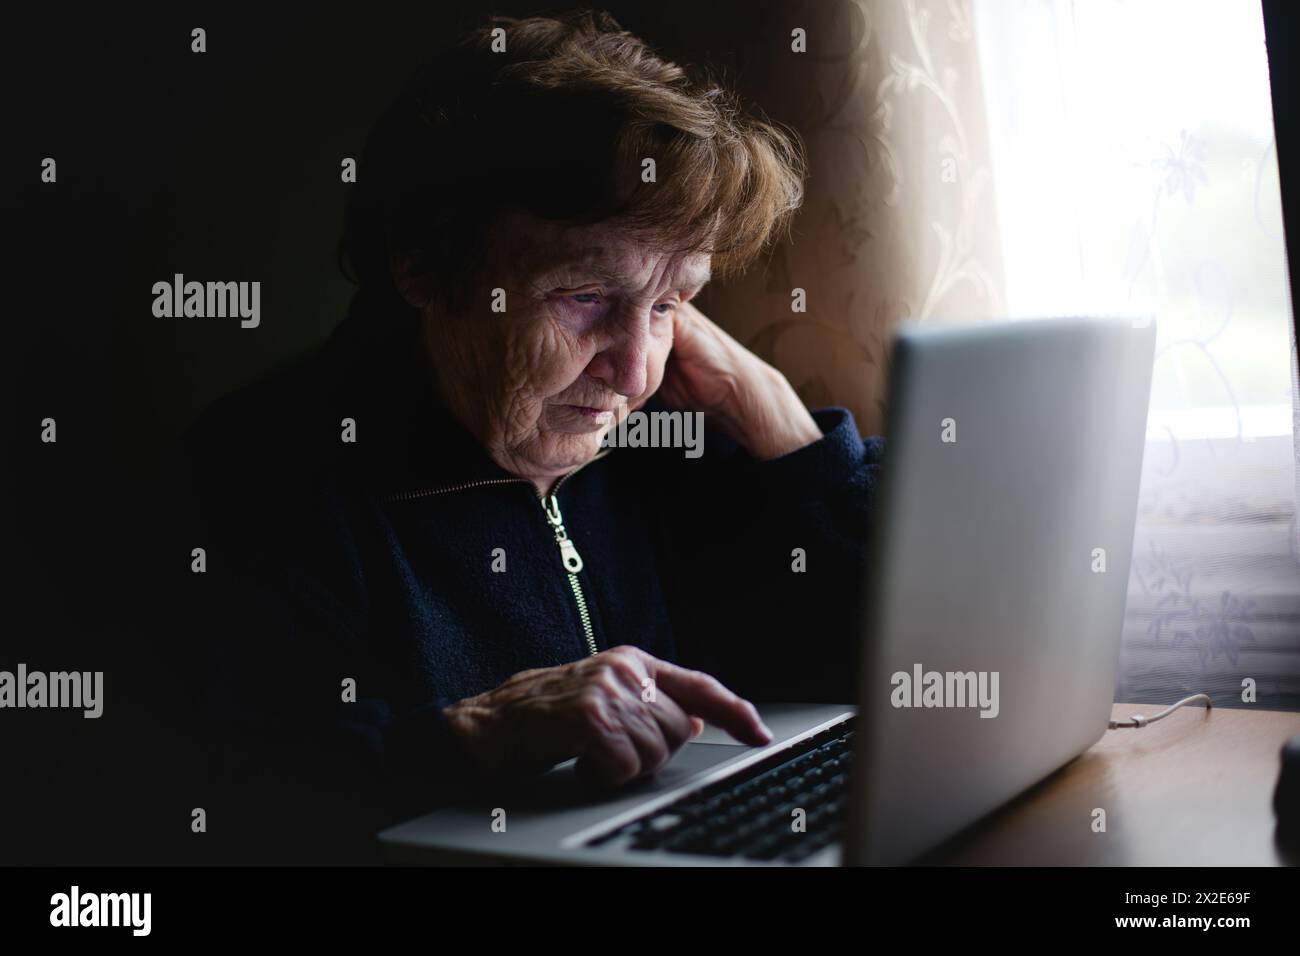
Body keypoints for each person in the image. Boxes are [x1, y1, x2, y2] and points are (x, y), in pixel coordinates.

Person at [160, 9, 885, 863]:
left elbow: (913, 659)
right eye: (585, 296)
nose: (636, 371)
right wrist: (480, 732)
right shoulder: (264, 480)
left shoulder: (672, 437)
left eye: (669, 304)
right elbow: (213, 804)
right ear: (425, 269)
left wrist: (785, 429)